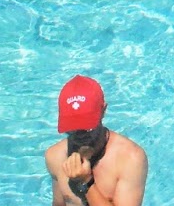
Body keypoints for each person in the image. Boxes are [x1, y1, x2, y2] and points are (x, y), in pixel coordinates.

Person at [44, 75, 148, 206]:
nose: (80, 136)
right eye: (72, 129)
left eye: (87, 128)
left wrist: (86, 182)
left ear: (103, 111)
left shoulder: (130, 159)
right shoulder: (55, 156)